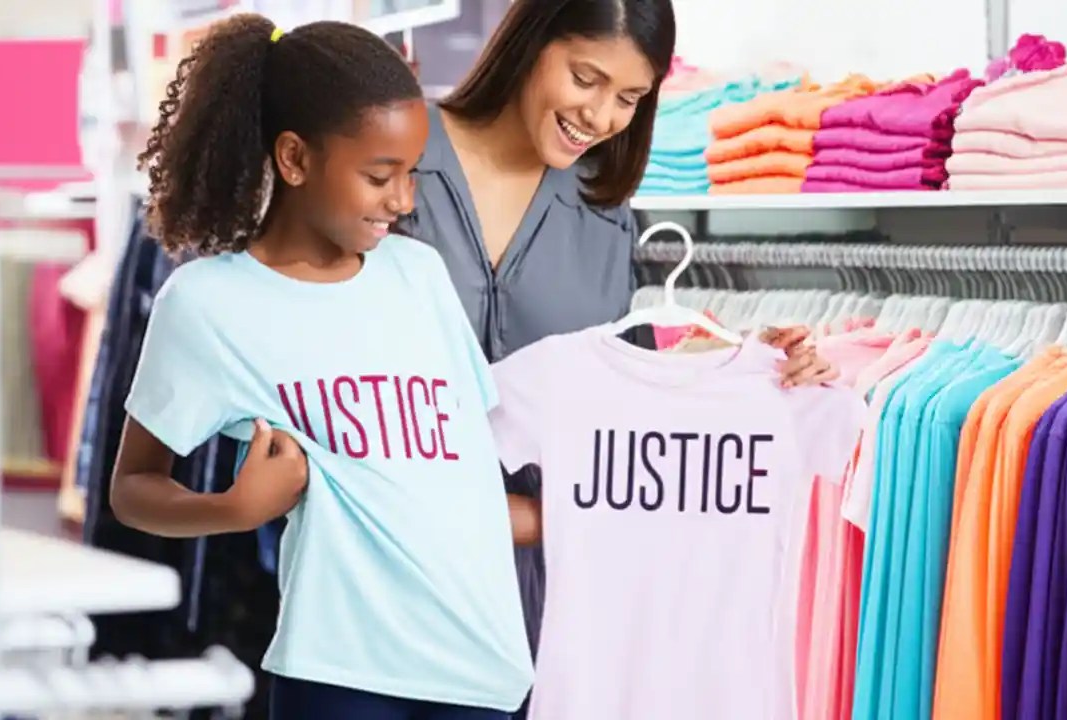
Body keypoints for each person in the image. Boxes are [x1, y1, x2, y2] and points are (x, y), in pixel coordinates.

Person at [396, 0, 839, 702]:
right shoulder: (396, 154)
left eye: (630, 97)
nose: (602, 117)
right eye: (585, 78)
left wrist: (749, 372)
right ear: (531, 40)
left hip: (541, 621)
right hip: (384, 589)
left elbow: (619, 424)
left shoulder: (603, 214)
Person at [109, 15, 532, 720]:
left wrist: (575, 515)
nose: (403, 201)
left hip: (483, 664)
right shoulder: (211, 302)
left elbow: (449, 478)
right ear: (296, 158)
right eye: (378, 176)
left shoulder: (419, 275)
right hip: (343, 672)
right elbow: (132, 488)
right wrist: (235, 510)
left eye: (410, 175)